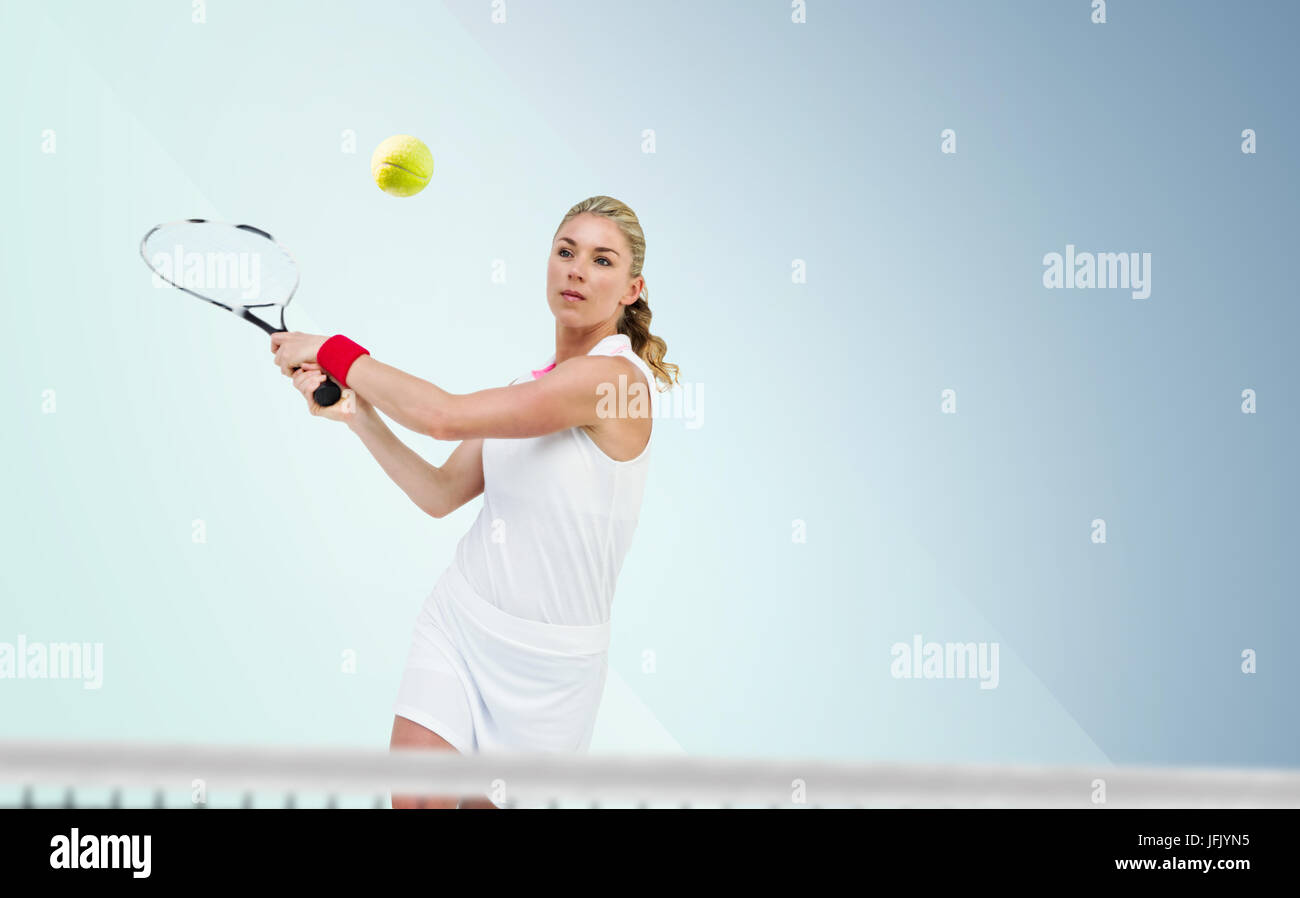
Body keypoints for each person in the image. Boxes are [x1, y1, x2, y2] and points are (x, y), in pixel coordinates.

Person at [270, 196, 679, 808]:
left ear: (631, 289)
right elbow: (440, 493)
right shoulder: (527, 388)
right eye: (565, 251)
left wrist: (332, 349)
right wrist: (359, 417)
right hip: (461, 624)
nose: (576, 270)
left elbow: (443, 417)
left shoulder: (614, 383)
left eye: (601, 260)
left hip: (552, 673)